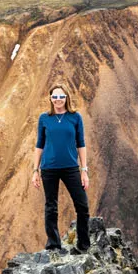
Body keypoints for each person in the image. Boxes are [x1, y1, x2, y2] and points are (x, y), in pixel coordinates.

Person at [30, 84, 90, 251]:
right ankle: (54, 244)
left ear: (66, 98)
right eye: (55, 97)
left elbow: (81, 144)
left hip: (71, 167)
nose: (58, 100)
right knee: (51, 206)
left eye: (61, 96)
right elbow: (39, 144)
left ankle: (83, 245)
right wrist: (35, 171)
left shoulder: (75, 117)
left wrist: (84, 171)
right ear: (50, 98)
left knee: (82, 206)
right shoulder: (44, 118)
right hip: (49, 168)